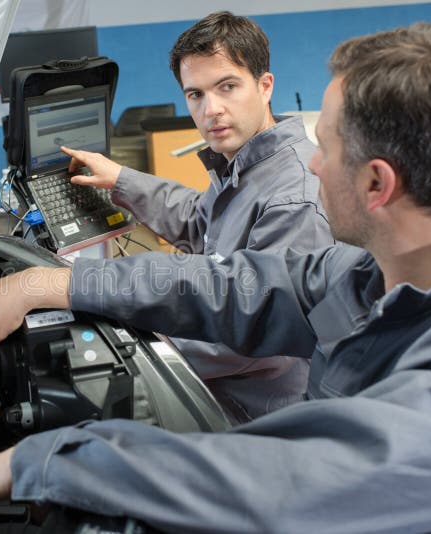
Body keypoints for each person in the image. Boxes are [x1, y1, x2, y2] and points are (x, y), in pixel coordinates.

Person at [0, 23, 431, 532]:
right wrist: (45, 285)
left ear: (377, 184)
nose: (312, 162)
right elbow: (234, 285)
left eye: (328, 147)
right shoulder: (376, 271)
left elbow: (285, 484)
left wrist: (48, 460)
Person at [65, 11, 334, 420]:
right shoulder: (248, 164)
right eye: (196, 94)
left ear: (265, 86)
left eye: (227, 87)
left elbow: (253, 326)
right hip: (226, 391)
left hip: (257, 414)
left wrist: (133, 339)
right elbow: (198, 221)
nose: (212, 110)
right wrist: (121, 179)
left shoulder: (291, 196)